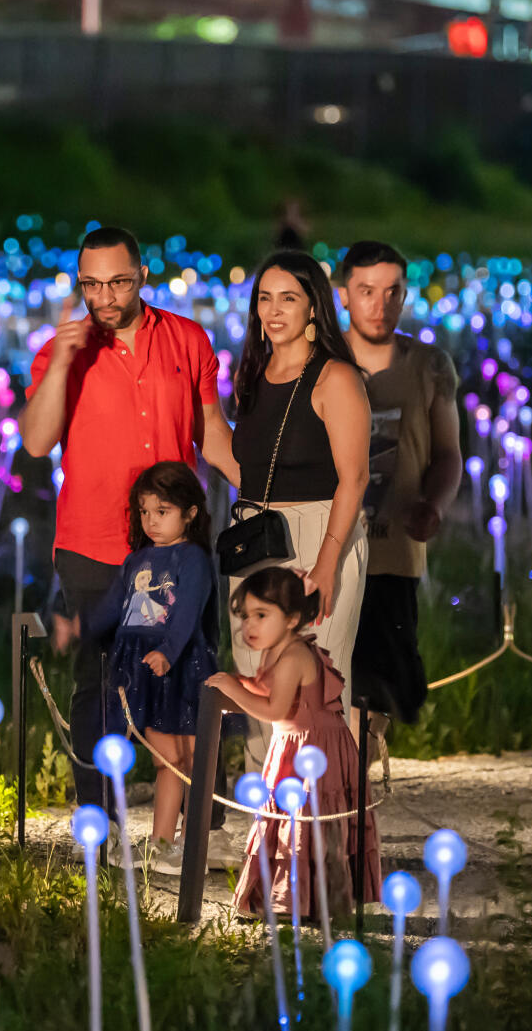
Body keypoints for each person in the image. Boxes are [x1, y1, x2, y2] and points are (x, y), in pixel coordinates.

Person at [23, 225, 238, 837]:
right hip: (93, 542)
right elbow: (37, 440)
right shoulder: (65, 349)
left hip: (176, 549)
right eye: (91, 284)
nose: (104, 297)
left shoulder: (187, 339)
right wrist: (62, 361)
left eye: (117, 282)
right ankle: (100, 817)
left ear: (142, 275)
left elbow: (212, 430)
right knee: (100, 681)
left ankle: (204, 823)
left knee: (193, 670)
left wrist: (264, 489)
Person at [225, 249, 370, 765]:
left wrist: (329, 560)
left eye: (289, 297)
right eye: (265, 298)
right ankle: (269, 825)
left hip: (318, 529)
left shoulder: (335, 378)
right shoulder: (253, 373)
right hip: (254, 531)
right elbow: (242, 462)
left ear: (314, 308)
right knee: (255, 674)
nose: (274, 309)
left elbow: (355, 478)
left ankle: (321, 827)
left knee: (316, 681)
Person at [55, 461, 223, 874]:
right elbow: (115, 606)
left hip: (173, 666)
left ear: (190, 513)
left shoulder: (193, 559)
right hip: (132, 667)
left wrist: (167, 650)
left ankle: (165, 841)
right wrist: (80, 625)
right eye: (144, 512)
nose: (151, 521)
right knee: (143, 751)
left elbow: (186, 613)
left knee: (172, 756)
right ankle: (136, 834)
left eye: (162, 512)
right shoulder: (137, 560)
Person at [338, 241, 462, 733]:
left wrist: (434, 505)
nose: (380, 304)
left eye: (392, 292)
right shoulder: (318, 362)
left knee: (382, 686)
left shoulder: (430, 366)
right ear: (344, 294)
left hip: (393, 556)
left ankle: (356, 787)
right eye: (366, 291)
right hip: (326, 550)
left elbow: (448, 453)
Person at [212, 566, 380, 919]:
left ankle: (313, 899)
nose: (250, 626)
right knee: (287, 819)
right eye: (245, 617)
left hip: (315, 749)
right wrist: (239, 683)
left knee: (308, 821)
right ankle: (287, 897)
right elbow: (269, 691)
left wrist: (233, 690)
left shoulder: (293, 657)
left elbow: (273, 709)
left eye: (261, 615)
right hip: (292, 744)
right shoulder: (275, 650)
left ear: (290, 619)